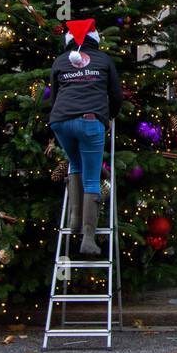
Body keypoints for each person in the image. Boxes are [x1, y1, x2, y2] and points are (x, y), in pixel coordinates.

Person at [48, 19, 122, 255]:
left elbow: (54, 94)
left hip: (60, 122)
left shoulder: (60, 61)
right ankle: (88, 237)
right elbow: (116, 94)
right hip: (91, 121)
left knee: (74, 163)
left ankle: (74, 220)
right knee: (91, 179)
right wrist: (109, 116)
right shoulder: (104, 60)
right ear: (96, 39)